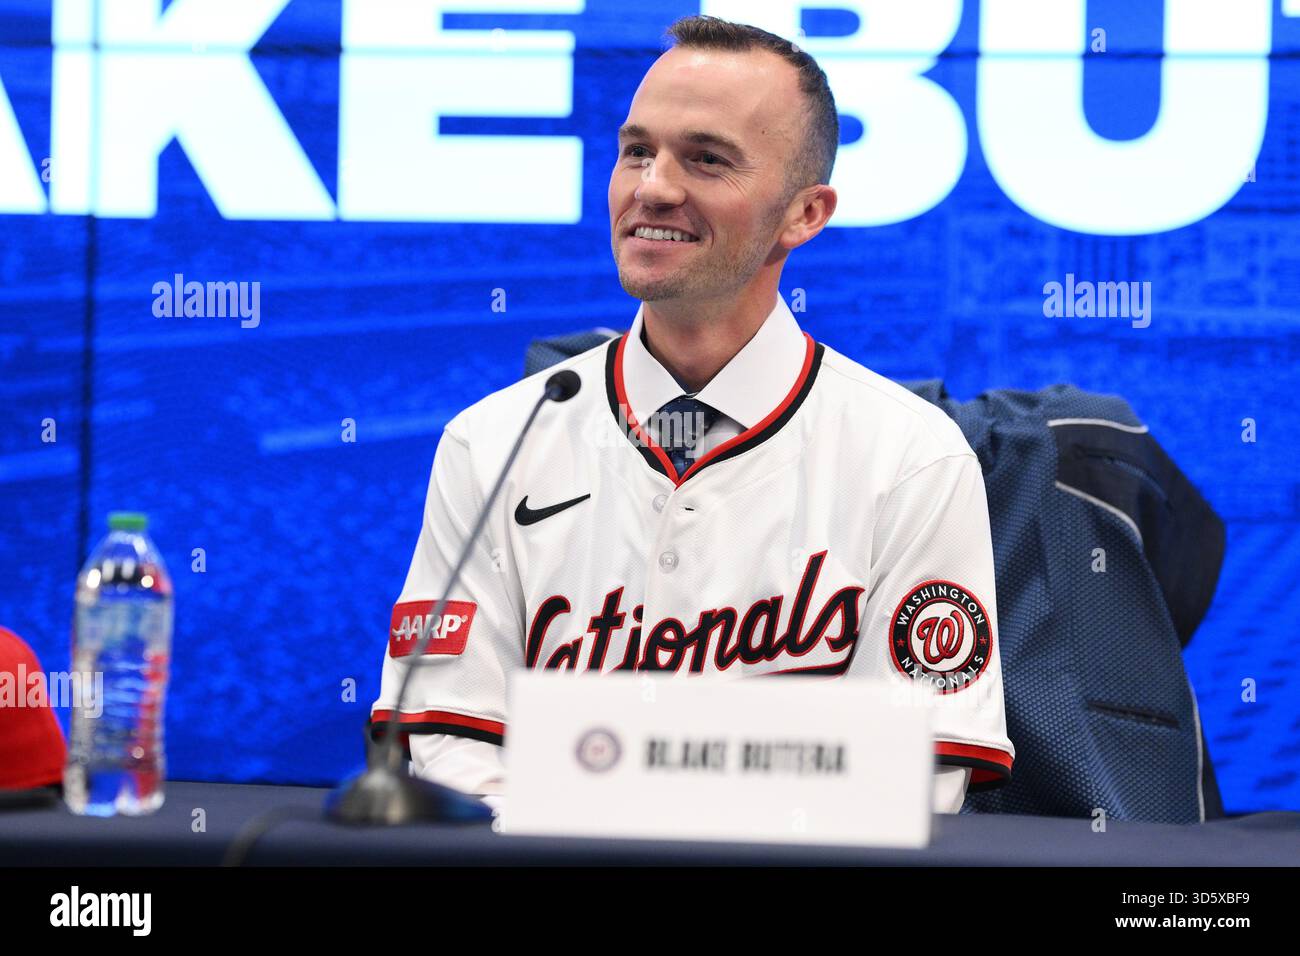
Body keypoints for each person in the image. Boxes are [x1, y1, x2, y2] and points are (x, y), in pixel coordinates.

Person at [372, 15, 1014, 814]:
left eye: (706, 159)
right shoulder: (494, 442)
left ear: (805, 214)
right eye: (637, 150)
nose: (652, 187)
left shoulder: (913, 458)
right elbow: (451, 743)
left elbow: (915, 777)